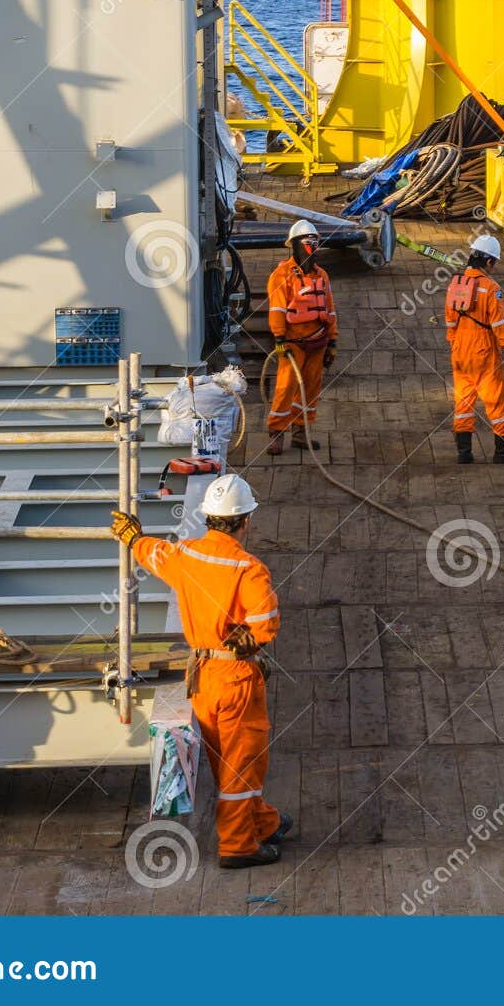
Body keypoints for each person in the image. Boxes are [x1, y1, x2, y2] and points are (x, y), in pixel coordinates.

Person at [111, 475, 292, 869]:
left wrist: (132, 537)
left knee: (225, 763)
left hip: (202, 679)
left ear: (208, 517)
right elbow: (266, 622)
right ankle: (238, 846)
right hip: (236, 679)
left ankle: (264, 822)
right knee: (243, 766)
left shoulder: (186, 554)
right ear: (244, 521)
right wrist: (249, 641)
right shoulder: (248, 568)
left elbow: (153, 553)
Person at [445, 233, 504, 464]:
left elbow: (450, 322)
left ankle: (464, 453)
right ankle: (503, 452)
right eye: (495, 262)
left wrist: (456, 344)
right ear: (489, 261)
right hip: (483, 352)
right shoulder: (491, 289)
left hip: (460, 351)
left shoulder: (457, 284)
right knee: (497, 402)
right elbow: (500, 324)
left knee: (463, 401)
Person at [266, 220, 337, 455]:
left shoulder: (322, 275)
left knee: (310, 389)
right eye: (307, 241)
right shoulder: (281, 275)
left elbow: (329, 309)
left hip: (318, 342)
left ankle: (300, 433)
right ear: (294, 245)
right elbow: (277, 309)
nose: (312, 246)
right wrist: (279, 339)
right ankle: (276, 434)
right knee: (285, 388)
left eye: (315, 241)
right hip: (292, 343)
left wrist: (333, 341)